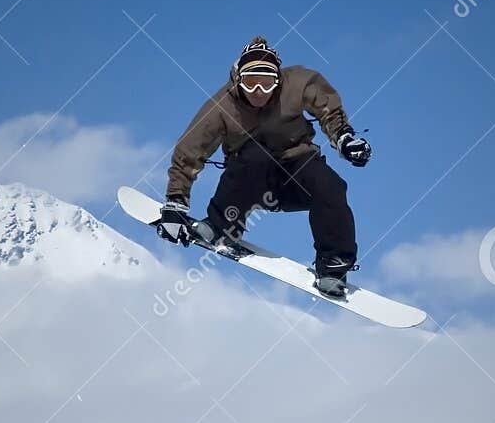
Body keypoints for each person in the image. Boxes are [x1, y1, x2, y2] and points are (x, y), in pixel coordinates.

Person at [155, 37, 372, 297]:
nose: (259, 90)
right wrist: (175, 203)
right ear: (238, 80)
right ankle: (223, 226)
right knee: (255, 155)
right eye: (251, 82)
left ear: (278, 81)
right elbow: (189, 152)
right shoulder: (222, 106)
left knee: (332, 186)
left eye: (267, 83)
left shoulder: (299, 83)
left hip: (296, 180)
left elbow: (328, 110)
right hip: (249, 184)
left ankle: (333, 265)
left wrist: (345, 138)